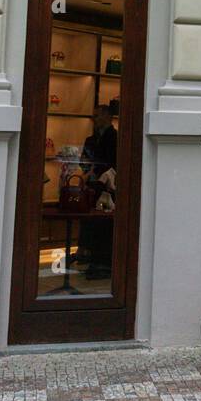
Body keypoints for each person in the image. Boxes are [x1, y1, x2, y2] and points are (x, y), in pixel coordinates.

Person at [77, 105, 117, 279]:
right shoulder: (90, 140)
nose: (95, 120)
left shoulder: (116, 138)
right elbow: (83, 163)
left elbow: (115, 162)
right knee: (92, 222)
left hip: (107, 186)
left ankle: (103, 262)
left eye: (98, 116)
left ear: (108, 117)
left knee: (104, 224)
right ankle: (92, 257)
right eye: (93, 116)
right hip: (93, 186)